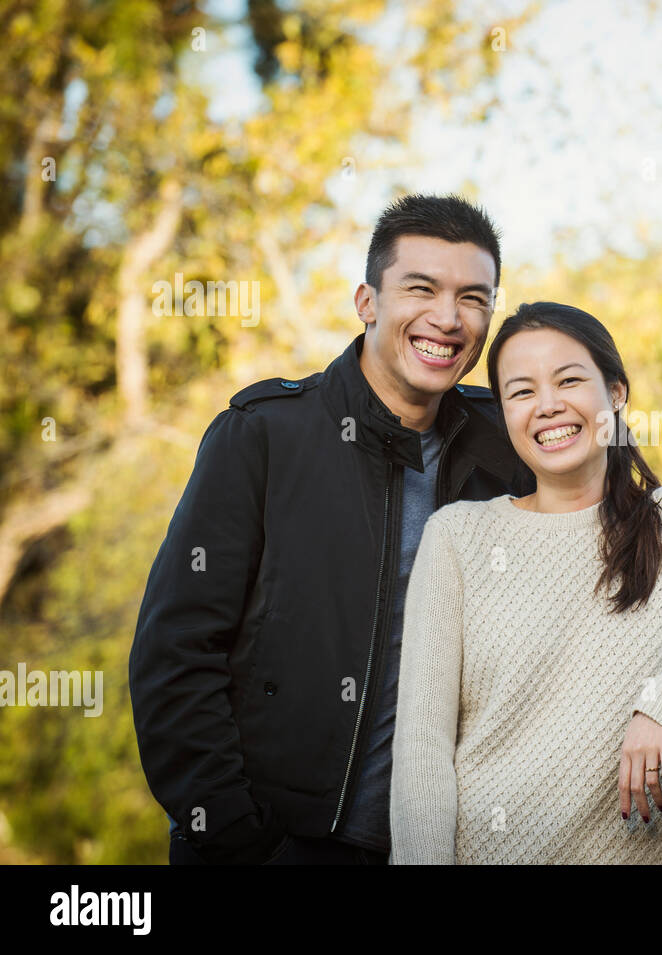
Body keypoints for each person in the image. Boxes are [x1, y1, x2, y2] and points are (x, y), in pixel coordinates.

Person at [129, 194, 535, 865]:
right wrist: (239, 834)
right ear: (367, 301)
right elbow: (175, 653)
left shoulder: (510, 445)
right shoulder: (264, 435)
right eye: (421, 288)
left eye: (474, 297)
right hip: (275, 844)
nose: (447, 317)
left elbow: (629, 550)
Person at [389, 302, 662, 863]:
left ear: (616, 394)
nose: (548, 406)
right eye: (521, 392)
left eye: (569, 380)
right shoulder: (457, 536)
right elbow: (423, 752)